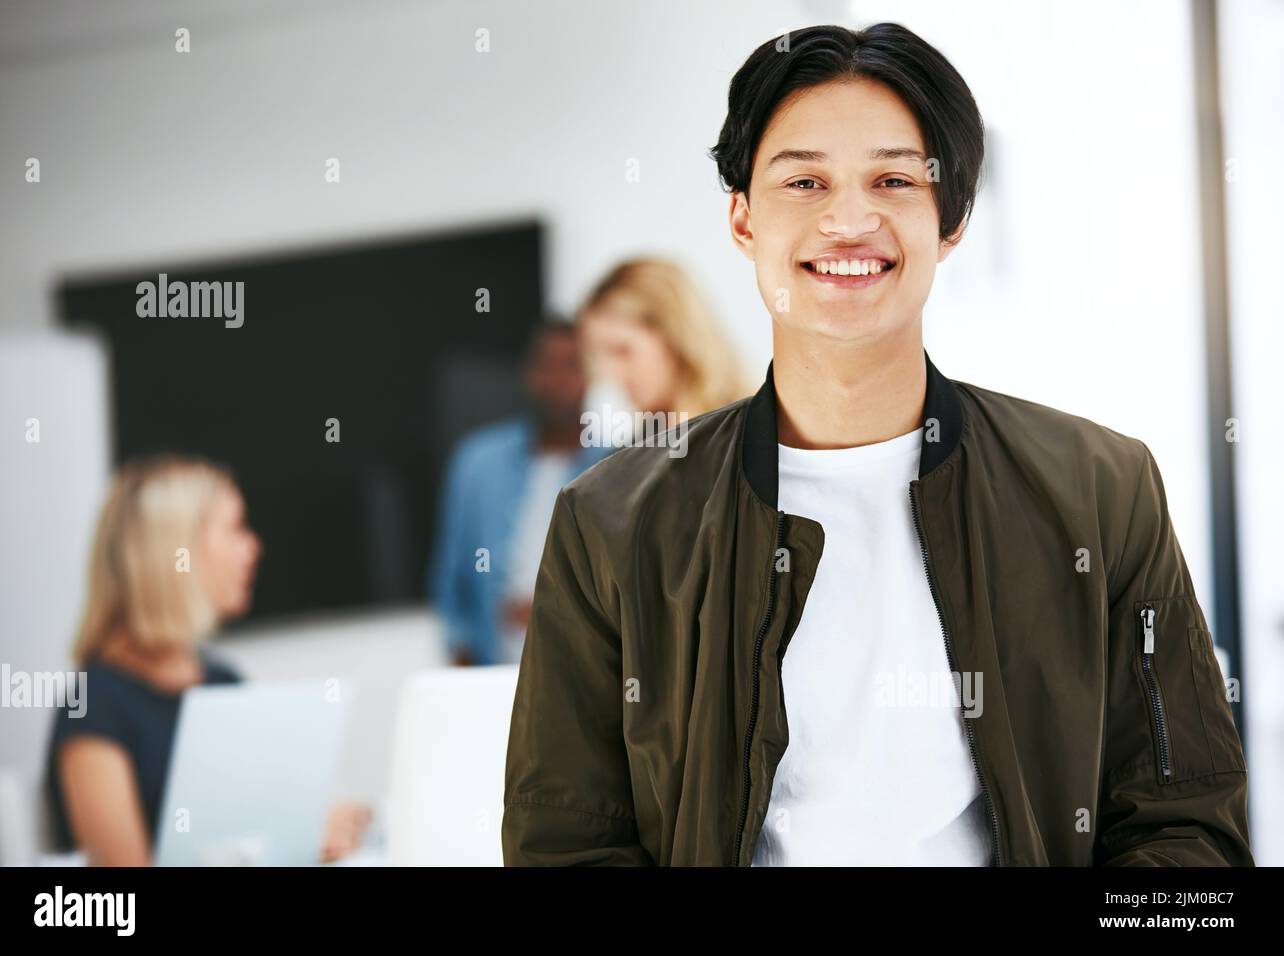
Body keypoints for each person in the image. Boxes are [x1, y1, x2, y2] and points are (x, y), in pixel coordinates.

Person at [502, 23, 1252, 866]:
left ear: (952, 219)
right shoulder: (610, 524)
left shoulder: (1102, 490)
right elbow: (564, 847)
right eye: (805, 181)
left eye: (894, 179)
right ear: (743, 220)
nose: (848, 219)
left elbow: (1190, 833)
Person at [45, 455, 371, 866]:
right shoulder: (95, 705)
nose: (253, 546)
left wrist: (314, 829)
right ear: (173, 551)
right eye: (235, 529)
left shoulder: (223, 682)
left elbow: (257, 827)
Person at [428, 319, 609, 667]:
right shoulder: (477, 463)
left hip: (584, 679)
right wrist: (464, 676)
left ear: (591, 375)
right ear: (530, 373)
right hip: (493, 679)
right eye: (547, 365)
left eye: (571, 365)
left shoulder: (615, 467)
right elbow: (452, 584)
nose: (558, 381)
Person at [578, 257, 749, 420]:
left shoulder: (752, 431)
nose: (609, 373)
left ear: (675, 337)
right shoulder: (638, 443)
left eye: (623, 351)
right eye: (597, 356)